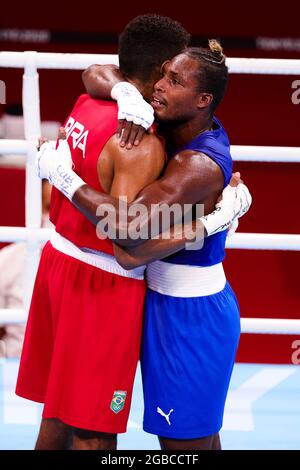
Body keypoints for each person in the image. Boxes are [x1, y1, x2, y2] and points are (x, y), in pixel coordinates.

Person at [34, 37, 252, 450]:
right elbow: (95, 73)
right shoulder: (166, 118)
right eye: (163, 75)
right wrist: (122, 91)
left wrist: (60, 175)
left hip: (190, 313)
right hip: (152, 299)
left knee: (183, 445)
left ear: (203, 99)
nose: (159, 88)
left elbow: (126, 242)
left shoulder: (196, 165)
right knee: (76, 414)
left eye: (173, 81)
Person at [0, 180, 52, 357]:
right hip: (13, 367)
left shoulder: (93, 266)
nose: (53, 217)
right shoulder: (8, 259)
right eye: (48, 207)